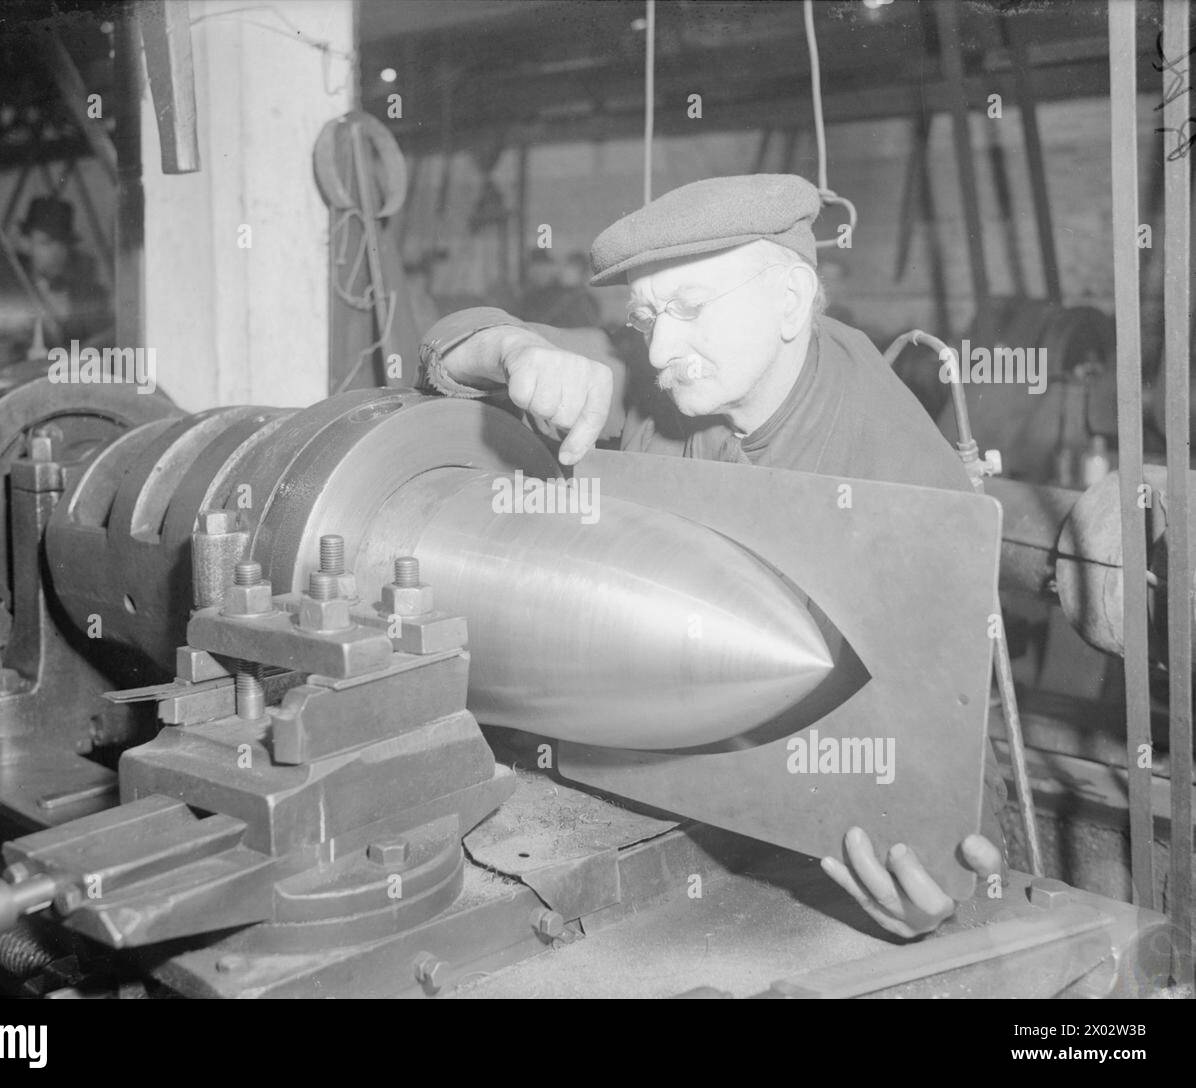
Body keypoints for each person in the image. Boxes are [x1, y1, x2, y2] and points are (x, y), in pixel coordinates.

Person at [417, 173, 1006, 940]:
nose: (662, 347)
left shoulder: (891, 474)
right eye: (645, 316)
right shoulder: (671, 374)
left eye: (691, 309)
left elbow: (946, 734)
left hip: (798, 831)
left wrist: (941, 892)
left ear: (792, 300)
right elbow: (450, 344)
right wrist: (520, 349)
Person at [16, 196, 112, 344]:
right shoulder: (11, 292)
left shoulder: (90, 294)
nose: (56, 253)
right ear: (26, 244)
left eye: (62, 243)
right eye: (46, 243)